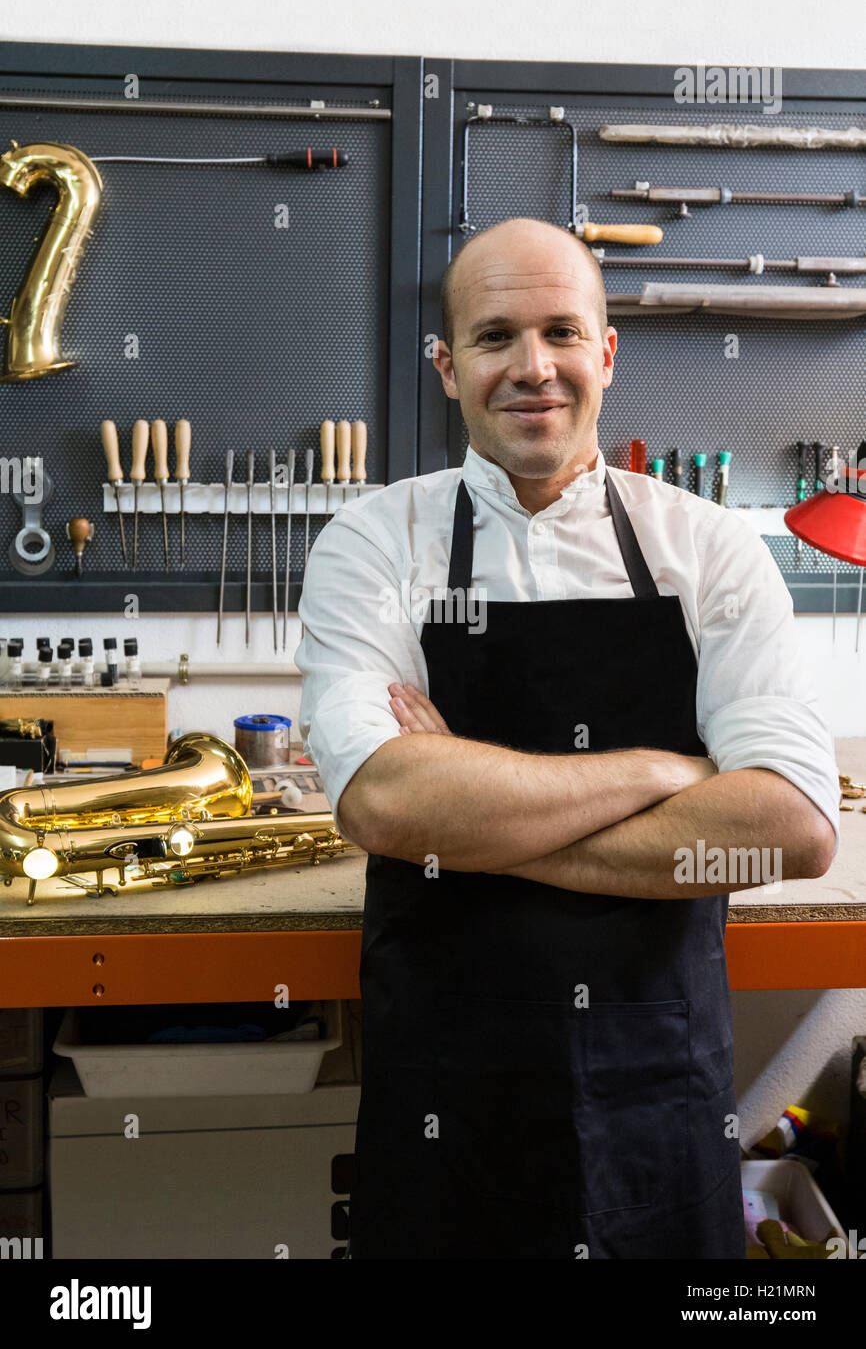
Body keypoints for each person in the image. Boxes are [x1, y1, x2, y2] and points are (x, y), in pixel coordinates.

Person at [295, 216, 839, 1260]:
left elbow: (788, 829)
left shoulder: (708, 550)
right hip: (444, 1091)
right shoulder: (373, 545)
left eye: (559, 331)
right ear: (448, 367)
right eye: (494, 337)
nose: (531, 367)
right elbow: (381, 804)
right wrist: (660, 771)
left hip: (657, 1084)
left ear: (604, 351)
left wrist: (469, 818)